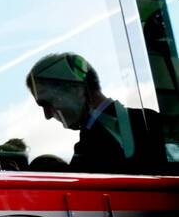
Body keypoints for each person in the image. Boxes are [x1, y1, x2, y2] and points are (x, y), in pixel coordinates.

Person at [25, 52, 165, 174]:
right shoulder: (151, 120)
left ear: (75, 89)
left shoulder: (89, 152)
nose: (47, 115)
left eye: (46, 102)